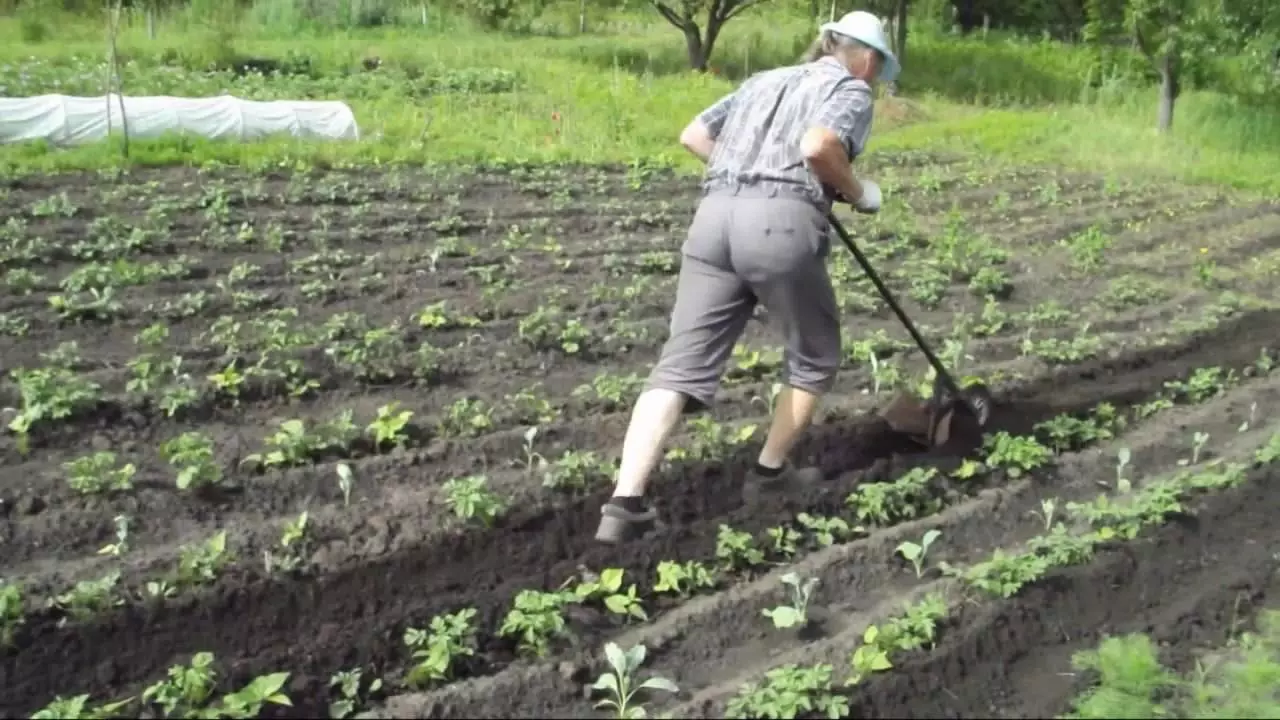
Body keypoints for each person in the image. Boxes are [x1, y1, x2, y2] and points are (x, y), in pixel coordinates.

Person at [594, 11, 899, 545]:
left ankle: (625, 504)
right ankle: (769, 474)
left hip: (713, 218)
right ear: (868, 60)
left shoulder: (764, 80)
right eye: (876, 69)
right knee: (814, 354)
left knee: (679, 366)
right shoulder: (851, 90)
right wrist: (855, 193)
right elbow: (818, 146)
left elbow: (693, 135)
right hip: (779, 224)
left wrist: (744, 174)